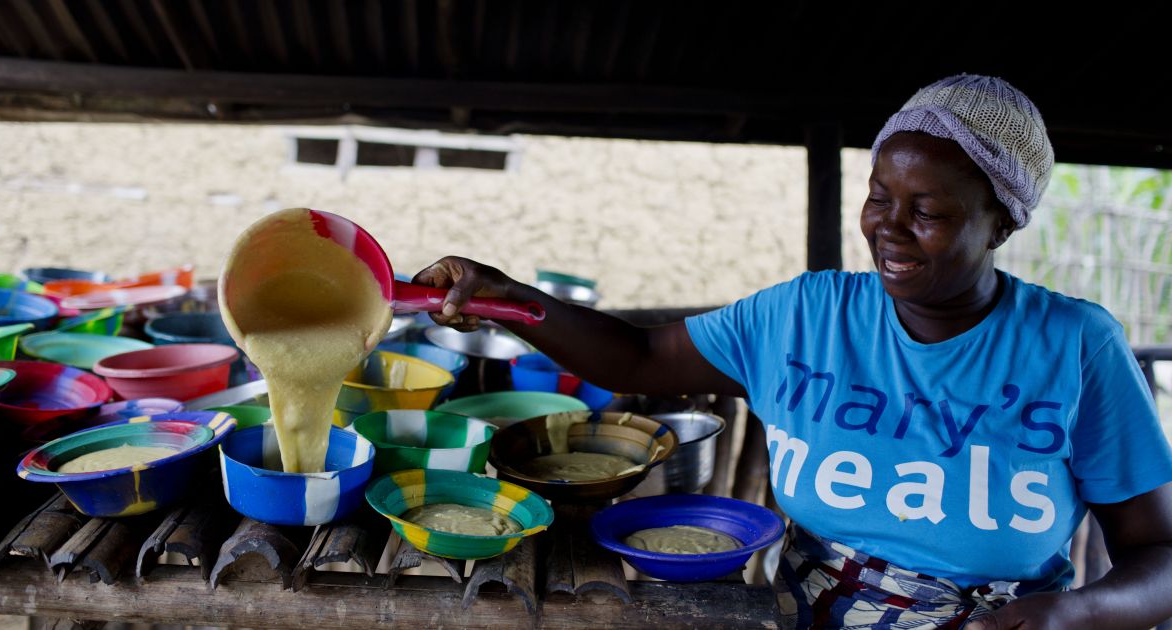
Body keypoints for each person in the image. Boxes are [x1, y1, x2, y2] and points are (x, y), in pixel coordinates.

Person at [415, 75, 1172, 629]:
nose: (888, 228)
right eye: (879, 197)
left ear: (1000, 224)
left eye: (930, 212)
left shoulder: (1075, 347)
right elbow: (638, 359)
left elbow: (1160, 554)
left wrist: (1077, 615)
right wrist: (499, 294)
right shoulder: (808, 316)